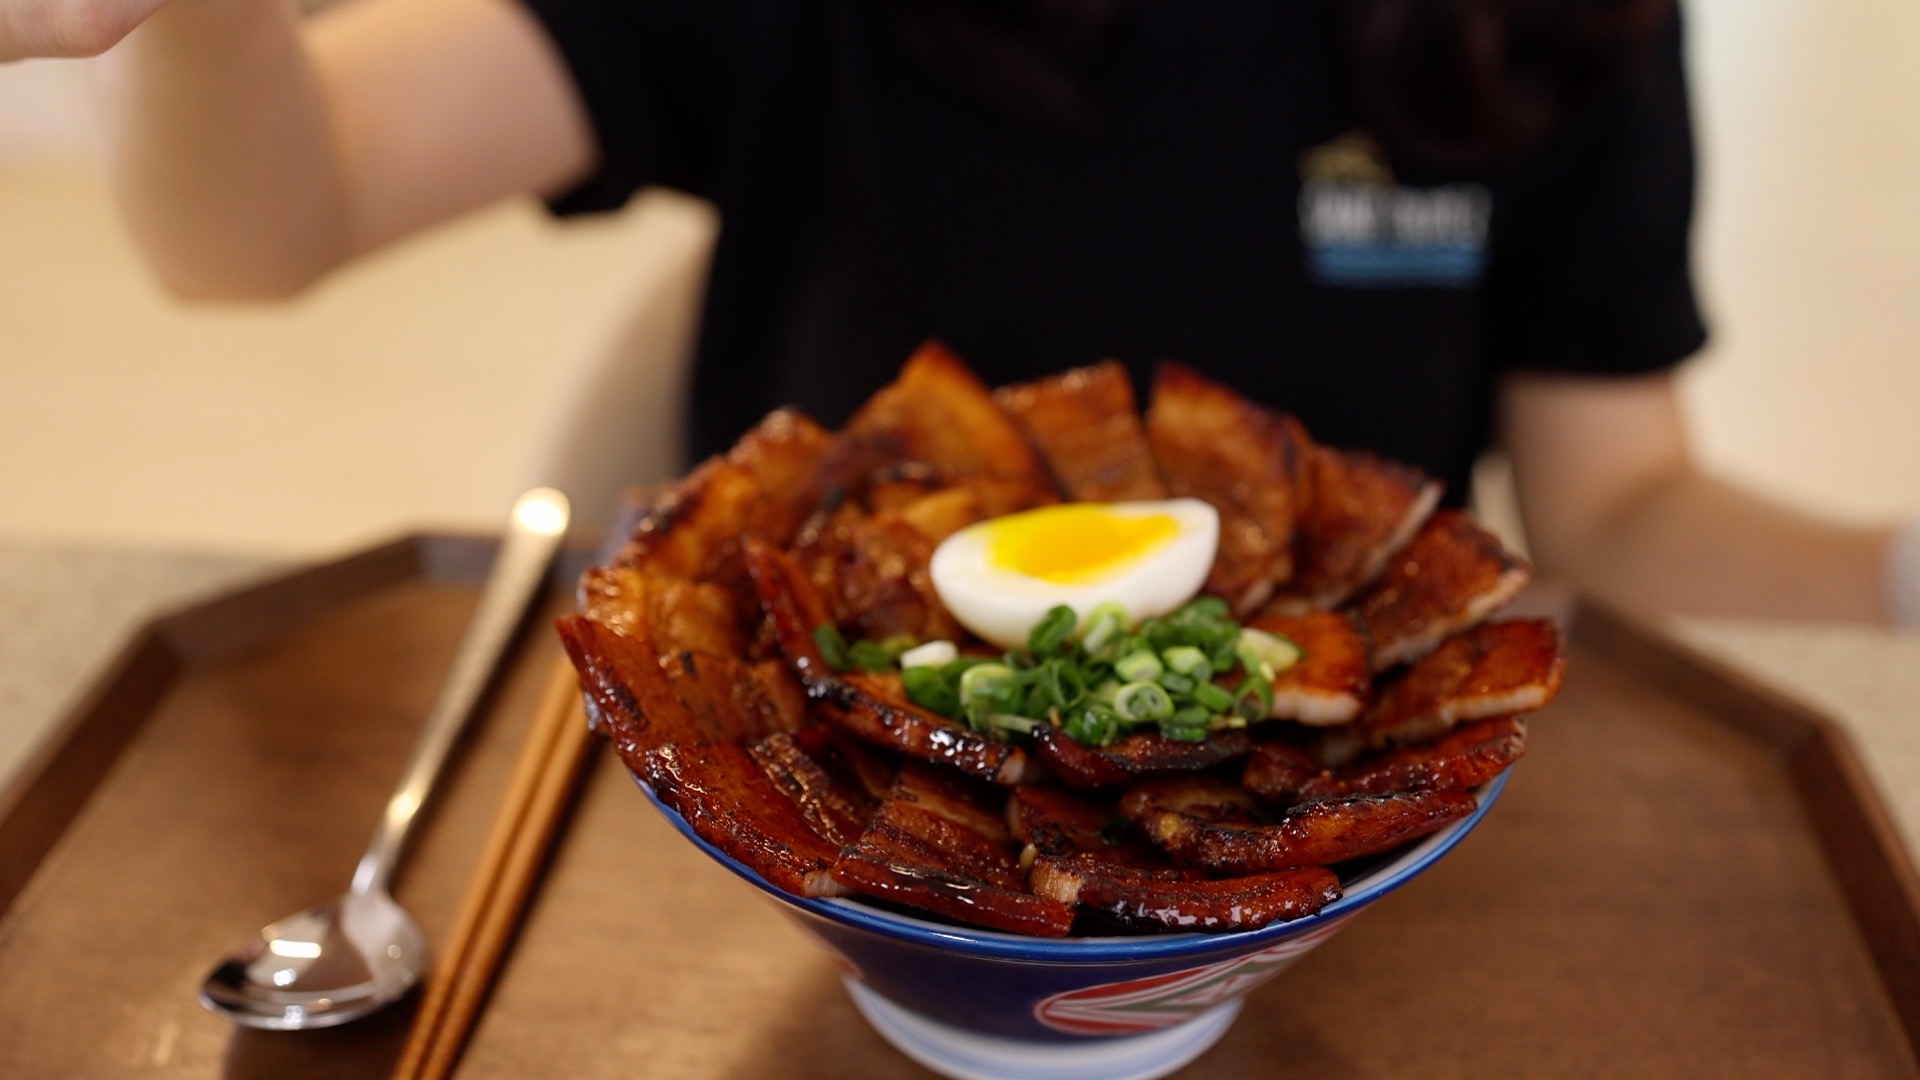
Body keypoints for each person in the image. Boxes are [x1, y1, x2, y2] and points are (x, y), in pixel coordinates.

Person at [3, 0, 1913, 625]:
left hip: (1315, 836)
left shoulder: (1555, 23)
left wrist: (1898, 577)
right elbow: (261, 224)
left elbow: (1618, 514)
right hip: (811, 802)